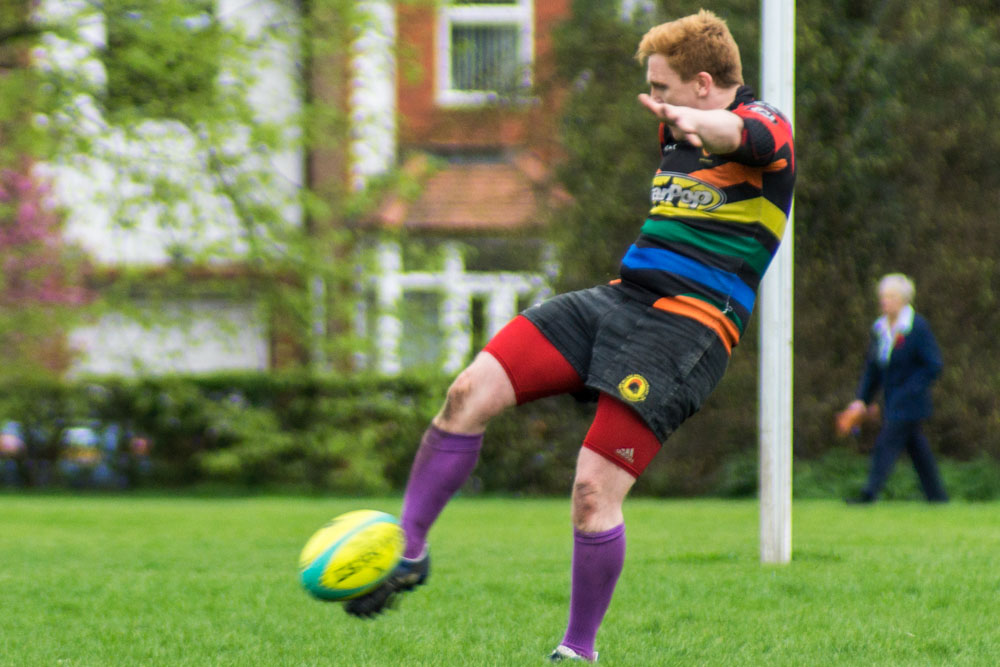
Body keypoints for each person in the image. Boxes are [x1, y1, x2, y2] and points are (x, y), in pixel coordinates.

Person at [345, 10, 796, 663]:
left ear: (703, 83)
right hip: (621, 299)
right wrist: (683, 122)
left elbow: (741, 134)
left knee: (592, 491)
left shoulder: (766, 127)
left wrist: (705, 125)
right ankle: (408, 552)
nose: (656, 100)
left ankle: (576, 651)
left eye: (663, 88)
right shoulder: (673, 127)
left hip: (691, 325)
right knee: (467, 393)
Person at [842, 273, 948, 504]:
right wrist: (862, 400)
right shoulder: (879, 329)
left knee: (885, 445)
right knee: (919, 451)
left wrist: (910, 390)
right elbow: (873, 369)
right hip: (892, 402)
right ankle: (938, 497)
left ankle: (868, 494)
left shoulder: (916, 327)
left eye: (890, 297)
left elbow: (933, 365)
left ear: (903, 300)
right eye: (882, 296)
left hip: (911, 403)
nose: (884, 301)